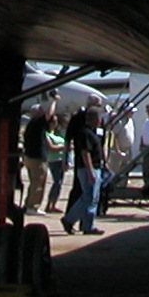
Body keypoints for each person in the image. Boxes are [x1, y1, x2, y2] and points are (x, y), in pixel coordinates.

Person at [62, 99, 107, 234]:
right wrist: (90, 171)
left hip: (96, 167)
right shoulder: (85, 133)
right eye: (99, 118)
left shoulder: (94, 132)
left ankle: (87, 225)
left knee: (92, 198)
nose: (101, 120)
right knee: (88, 197)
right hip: (88, 168)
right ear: (94, 119)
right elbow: (85, 152)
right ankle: (70, 219)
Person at [20, 105, 51, 212]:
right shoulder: (37, 123)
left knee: (34, 182)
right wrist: (54, 101)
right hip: (37, 158)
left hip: (30, 157)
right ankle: (32, 206)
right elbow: (49, 114)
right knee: (38, 182)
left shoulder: (31, 124)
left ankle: (29, 204)